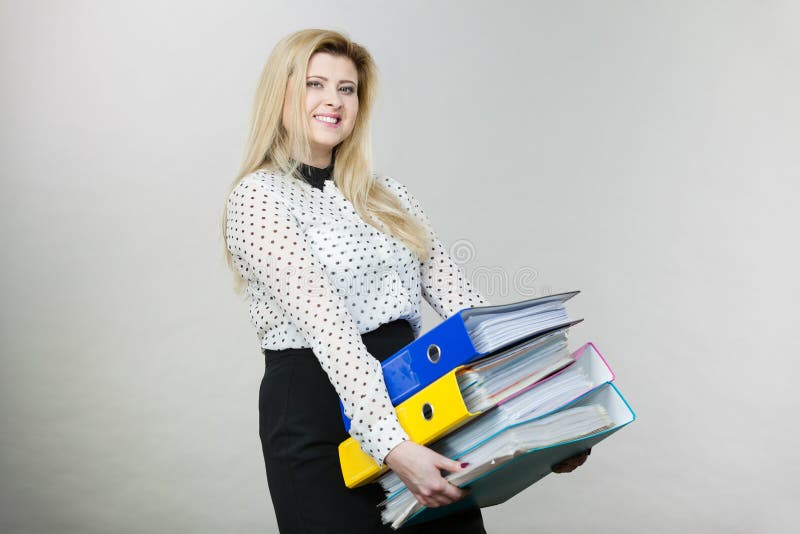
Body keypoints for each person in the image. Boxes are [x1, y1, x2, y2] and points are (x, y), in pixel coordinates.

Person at [222, 28, 588, 534]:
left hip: (415, 399)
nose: (333, 101)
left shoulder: (388, 195)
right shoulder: (258, 198)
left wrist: (538, 412)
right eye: (315, 84)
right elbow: (330, 333)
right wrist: (392, 446)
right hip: (319, 413)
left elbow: (467, 313)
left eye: (346, 89)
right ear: (280, 93)